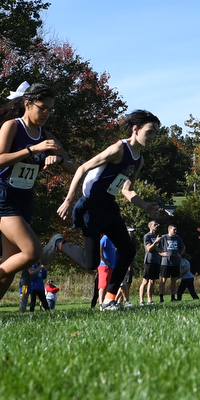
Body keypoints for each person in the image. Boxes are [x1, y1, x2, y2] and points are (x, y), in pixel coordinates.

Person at [44, 110, 162, 311]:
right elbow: (82, 168)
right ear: (136, 129)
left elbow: (127, 190)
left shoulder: (138, 160)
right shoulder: (118, 149)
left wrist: (145, 206)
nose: (152, 137)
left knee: (128, 250)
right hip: (91, 206)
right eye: (149, 132)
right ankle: (59, 243)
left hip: (109, 206)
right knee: (91, 264)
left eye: (155, 133)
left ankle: (108, 299)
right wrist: (68, 200)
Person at [0, 82, 75, 310]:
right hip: (3, 195)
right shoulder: (12, 126)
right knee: (32, 251)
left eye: (51, 109)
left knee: (11, 265)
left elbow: (72, 166)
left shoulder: (46, 135)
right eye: (43, 108)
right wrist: (34, 150)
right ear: (27, 104)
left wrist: (58, 160)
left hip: (24, 199)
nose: (47, 113)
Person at [156, 224, 184, 303]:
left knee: (174, 280)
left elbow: (183, 247)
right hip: (166, 262)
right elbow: (157, 247)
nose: (175, 231)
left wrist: (180, 254)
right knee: (163, 280)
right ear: (169, 230)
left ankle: (173, 297)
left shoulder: (177, 238)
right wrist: (161, 253)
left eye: (176, 230)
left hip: (175, 262)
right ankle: (161, 298)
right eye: (174, 229)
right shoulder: (164, 237)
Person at [139, 220, 162, 305]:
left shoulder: (157, 236)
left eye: (157, 224)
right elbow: (148, 248)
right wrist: (155, 242)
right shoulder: (147, 236)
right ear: (150, 226)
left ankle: (149, 300)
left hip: (156, 261)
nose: (156, 226)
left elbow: (158, 249)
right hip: (149, 260)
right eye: (155, 225)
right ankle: (141, 301)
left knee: (152, 282)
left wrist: (162, 252)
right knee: (145, 281)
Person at [97, 233, 117, 307]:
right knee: (103, 285)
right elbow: (100, 247)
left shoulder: (113, 238)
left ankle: (107, 303)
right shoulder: (105, 238)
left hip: (111, 266)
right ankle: (100, 304)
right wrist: (104, 260)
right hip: (104, 266)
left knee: (108, 285)